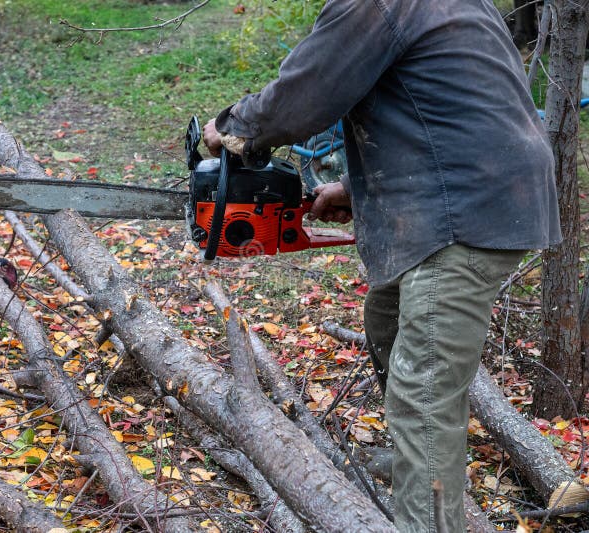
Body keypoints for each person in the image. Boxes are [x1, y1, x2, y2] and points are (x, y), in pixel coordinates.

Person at [203, 1, 561, 531]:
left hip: (464, 208)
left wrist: (231, 129)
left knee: (424, 398)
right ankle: (415, 463)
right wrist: (354, 187)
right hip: (479, 186)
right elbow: (448, 100)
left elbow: (307, 92)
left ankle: (428, 508)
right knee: (387, 317)